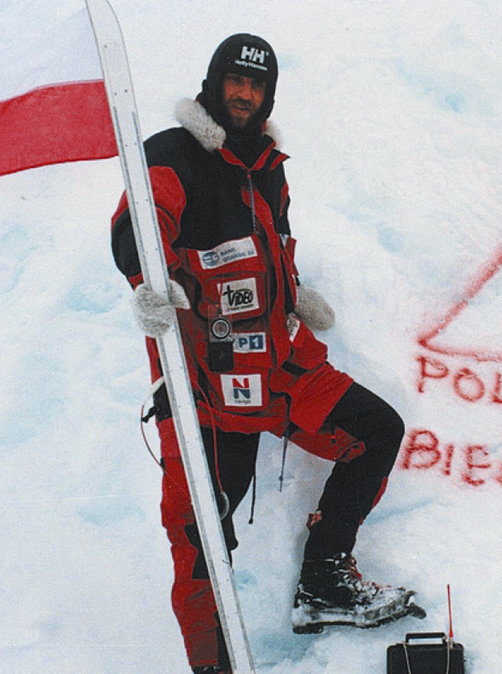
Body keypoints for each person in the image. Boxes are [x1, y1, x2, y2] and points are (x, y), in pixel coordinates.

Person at [110, 34, 422, 673]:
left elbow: (272, 243)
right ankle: (213, 665)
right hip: (207, 388)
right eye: (235, 80)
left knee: (376, 430)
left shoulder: (268, 166)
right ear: (213, 83)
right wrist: (148, 281)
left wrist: (293, 291)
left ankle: (324, 580)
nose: (244, 93)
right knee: (202, 540)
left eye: (256, 84)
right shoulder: (172, 154)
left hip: (281, 368)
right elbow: (137, 226)